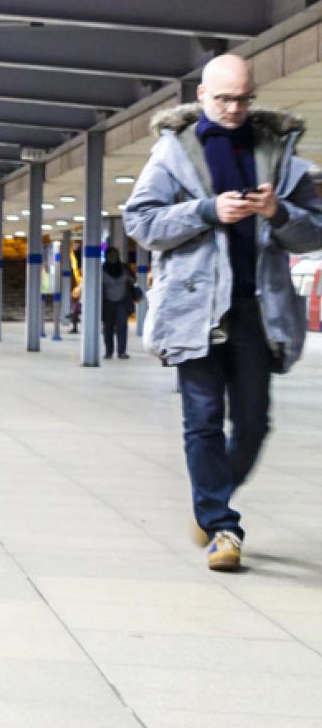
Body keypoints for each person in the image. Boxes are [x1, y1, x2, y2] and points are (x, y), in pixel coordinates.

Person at [124, 53, 322, 572]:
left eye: (243, 98)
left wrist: (278, 212)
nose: (234, 108)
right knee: (204, 419)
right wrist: (206, 211)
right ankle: (222, 526)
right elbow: (141, 223)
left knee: (254, 423)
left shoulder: (280, 152)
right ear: (201, 97)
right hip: (194, 310)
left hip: (257, 309)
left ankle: (209, 497)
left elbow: (315, 232)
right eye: (223, 99)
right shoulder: (173, 153)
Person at [100, 254, 135, 360]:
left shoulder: (124, 268)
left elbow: (133, 280)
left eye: (114, 255)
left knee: (122, 327)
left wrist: (130, 279)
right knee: (108, 328)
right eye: (111, 256)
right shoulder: (102, 269)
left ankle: (122, 351)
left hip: (122, 302)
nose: (113, 258)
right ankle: (109, 351)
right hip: (107, 303)